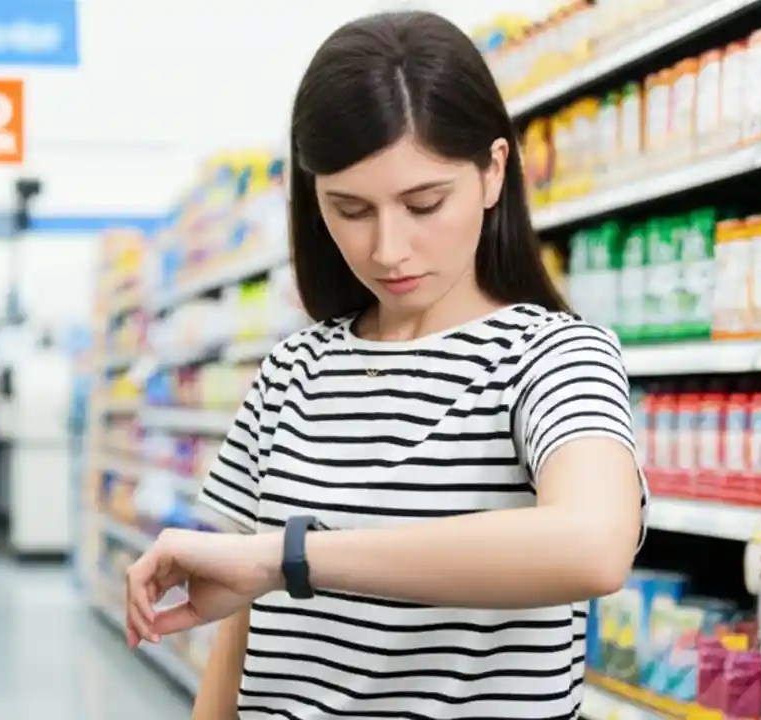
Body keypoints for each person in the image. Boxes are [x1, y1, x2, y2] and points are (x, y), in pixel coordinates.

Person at [123, 10, 646, 720]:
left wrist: (289, 559)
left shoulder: (551, 357)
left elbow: (592, 545)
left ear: (494, 171)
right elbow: (243, 631)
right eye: (350, 209)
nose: (388, 248)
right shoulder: (290, 372)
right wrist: (265, 568)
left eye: (424, 202)